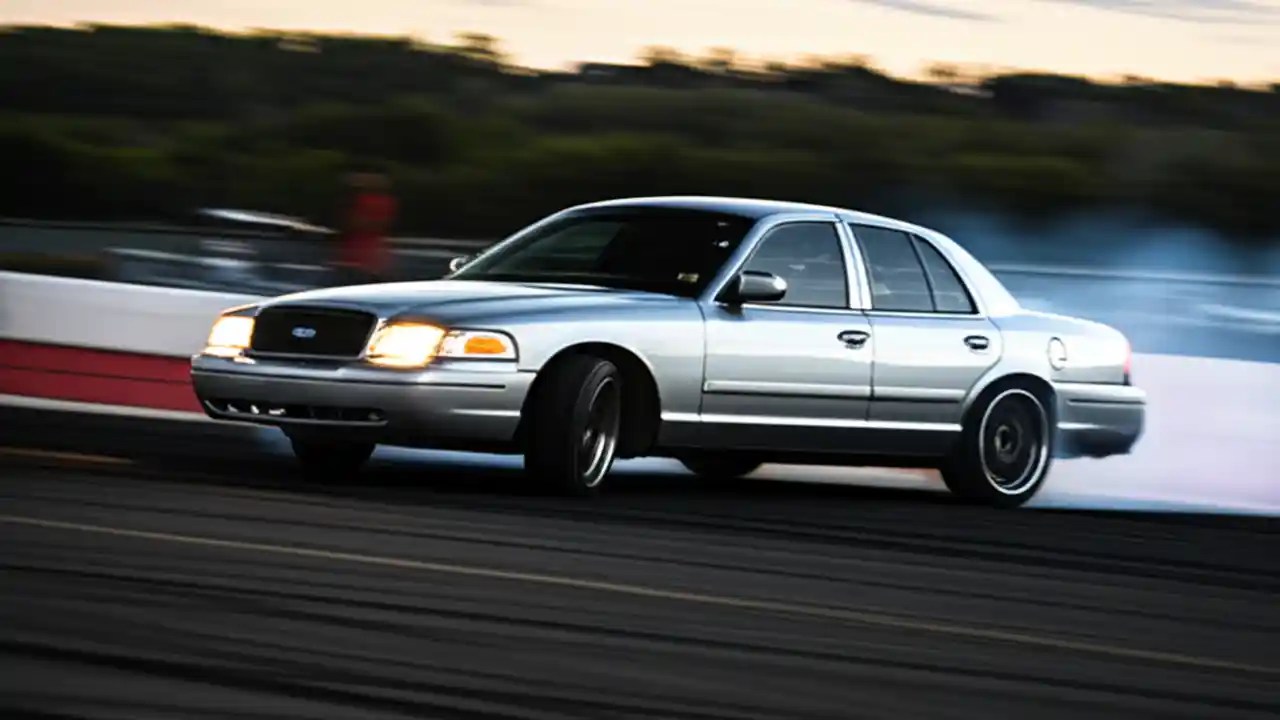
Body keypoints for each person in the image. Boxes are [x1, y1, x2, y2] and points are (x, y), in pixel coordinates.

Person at [334, 172, 397, 285]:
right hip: (369, 253)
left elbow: (358, 221)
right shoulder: (385, 201)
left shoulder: (367, 200)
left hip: (360, 254)